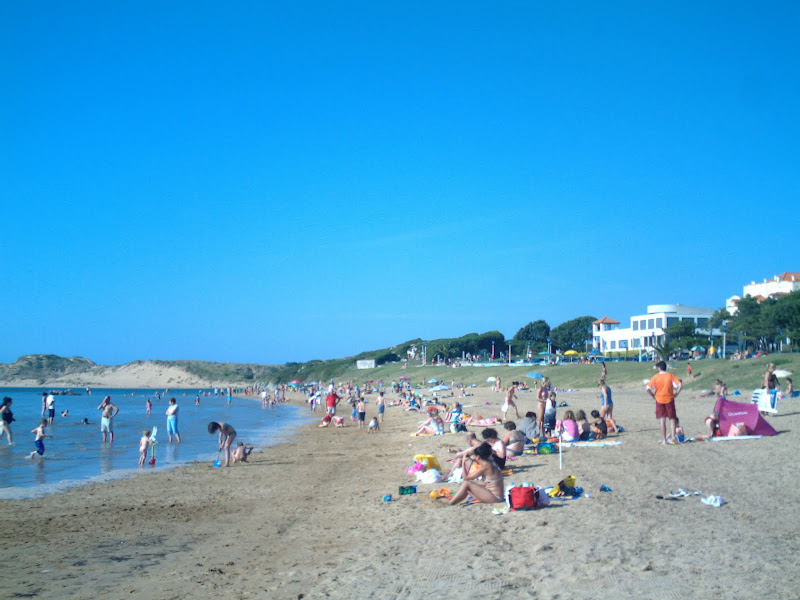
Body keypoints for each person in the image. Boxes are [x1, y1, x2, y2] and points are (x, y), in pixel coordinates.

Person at [647, 361, 682, 445]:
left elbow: (648, 388)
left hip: (659, 399)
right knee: (672, 418)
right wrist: (676, 393)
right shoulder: (670, 375)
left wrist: (653, 396)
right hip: (669, 398)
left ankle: (664, 440)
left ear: (659, 368)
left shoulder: (656, 377)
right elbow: (680, 385)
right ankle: (673, 437)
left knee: (662, 419)